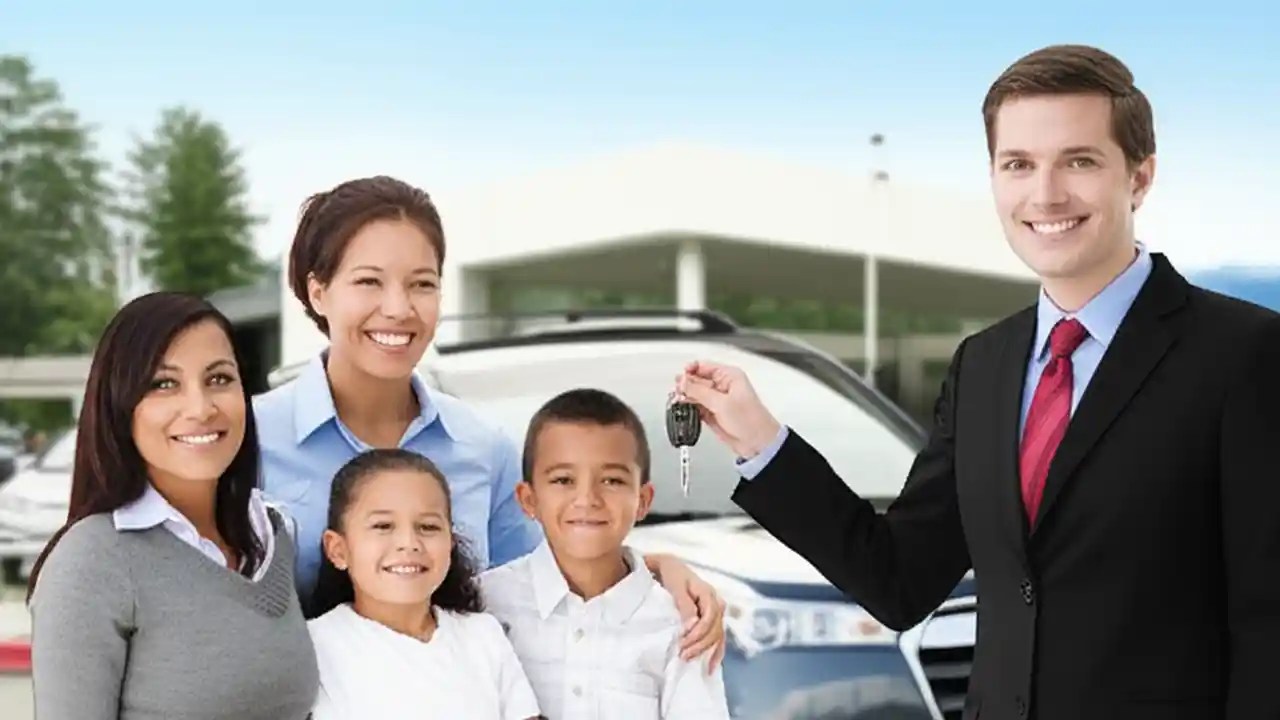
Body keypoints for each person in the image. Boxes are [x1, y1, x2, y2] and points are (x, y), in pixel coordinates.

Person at [677, 44, 1280, 720]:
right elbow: (900, 579)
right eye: (1018, 164)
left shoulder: (1246, 355)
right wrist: (762, 443)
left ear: (1140, 179)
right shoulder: (984, 365)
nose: (1045, 194)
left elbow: (1269, 626)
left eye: (1079, 161)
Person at [253, 175, 725, 668]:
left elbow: (545, 582)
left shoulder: (483, 448)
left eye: (422, 284)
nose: (398, 309)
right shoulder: (253, 442)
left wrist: (657, 570)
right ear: (319, 290)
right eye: (369, 281)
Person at [26, 292, 318, 720]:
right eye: (164, 384)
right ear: (120, 407)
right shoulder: (91, 563)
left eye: (219, 379)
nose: (200, 408)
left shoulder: (275, 535)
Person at [480, 388, 731, 720]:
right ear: (529, 500)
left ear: (642, 501)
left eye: (612, 480)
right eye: (563, 479)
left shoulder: (681, 624)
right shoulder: (485, 604)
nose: (587, 499)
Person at [305, 448, 541, 720]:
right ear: (338, 549)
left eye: (428, 527)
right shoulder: (314, 646)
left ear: (450, 544)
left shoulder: (482, 635)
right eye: (383, 526)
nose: (409, 543)